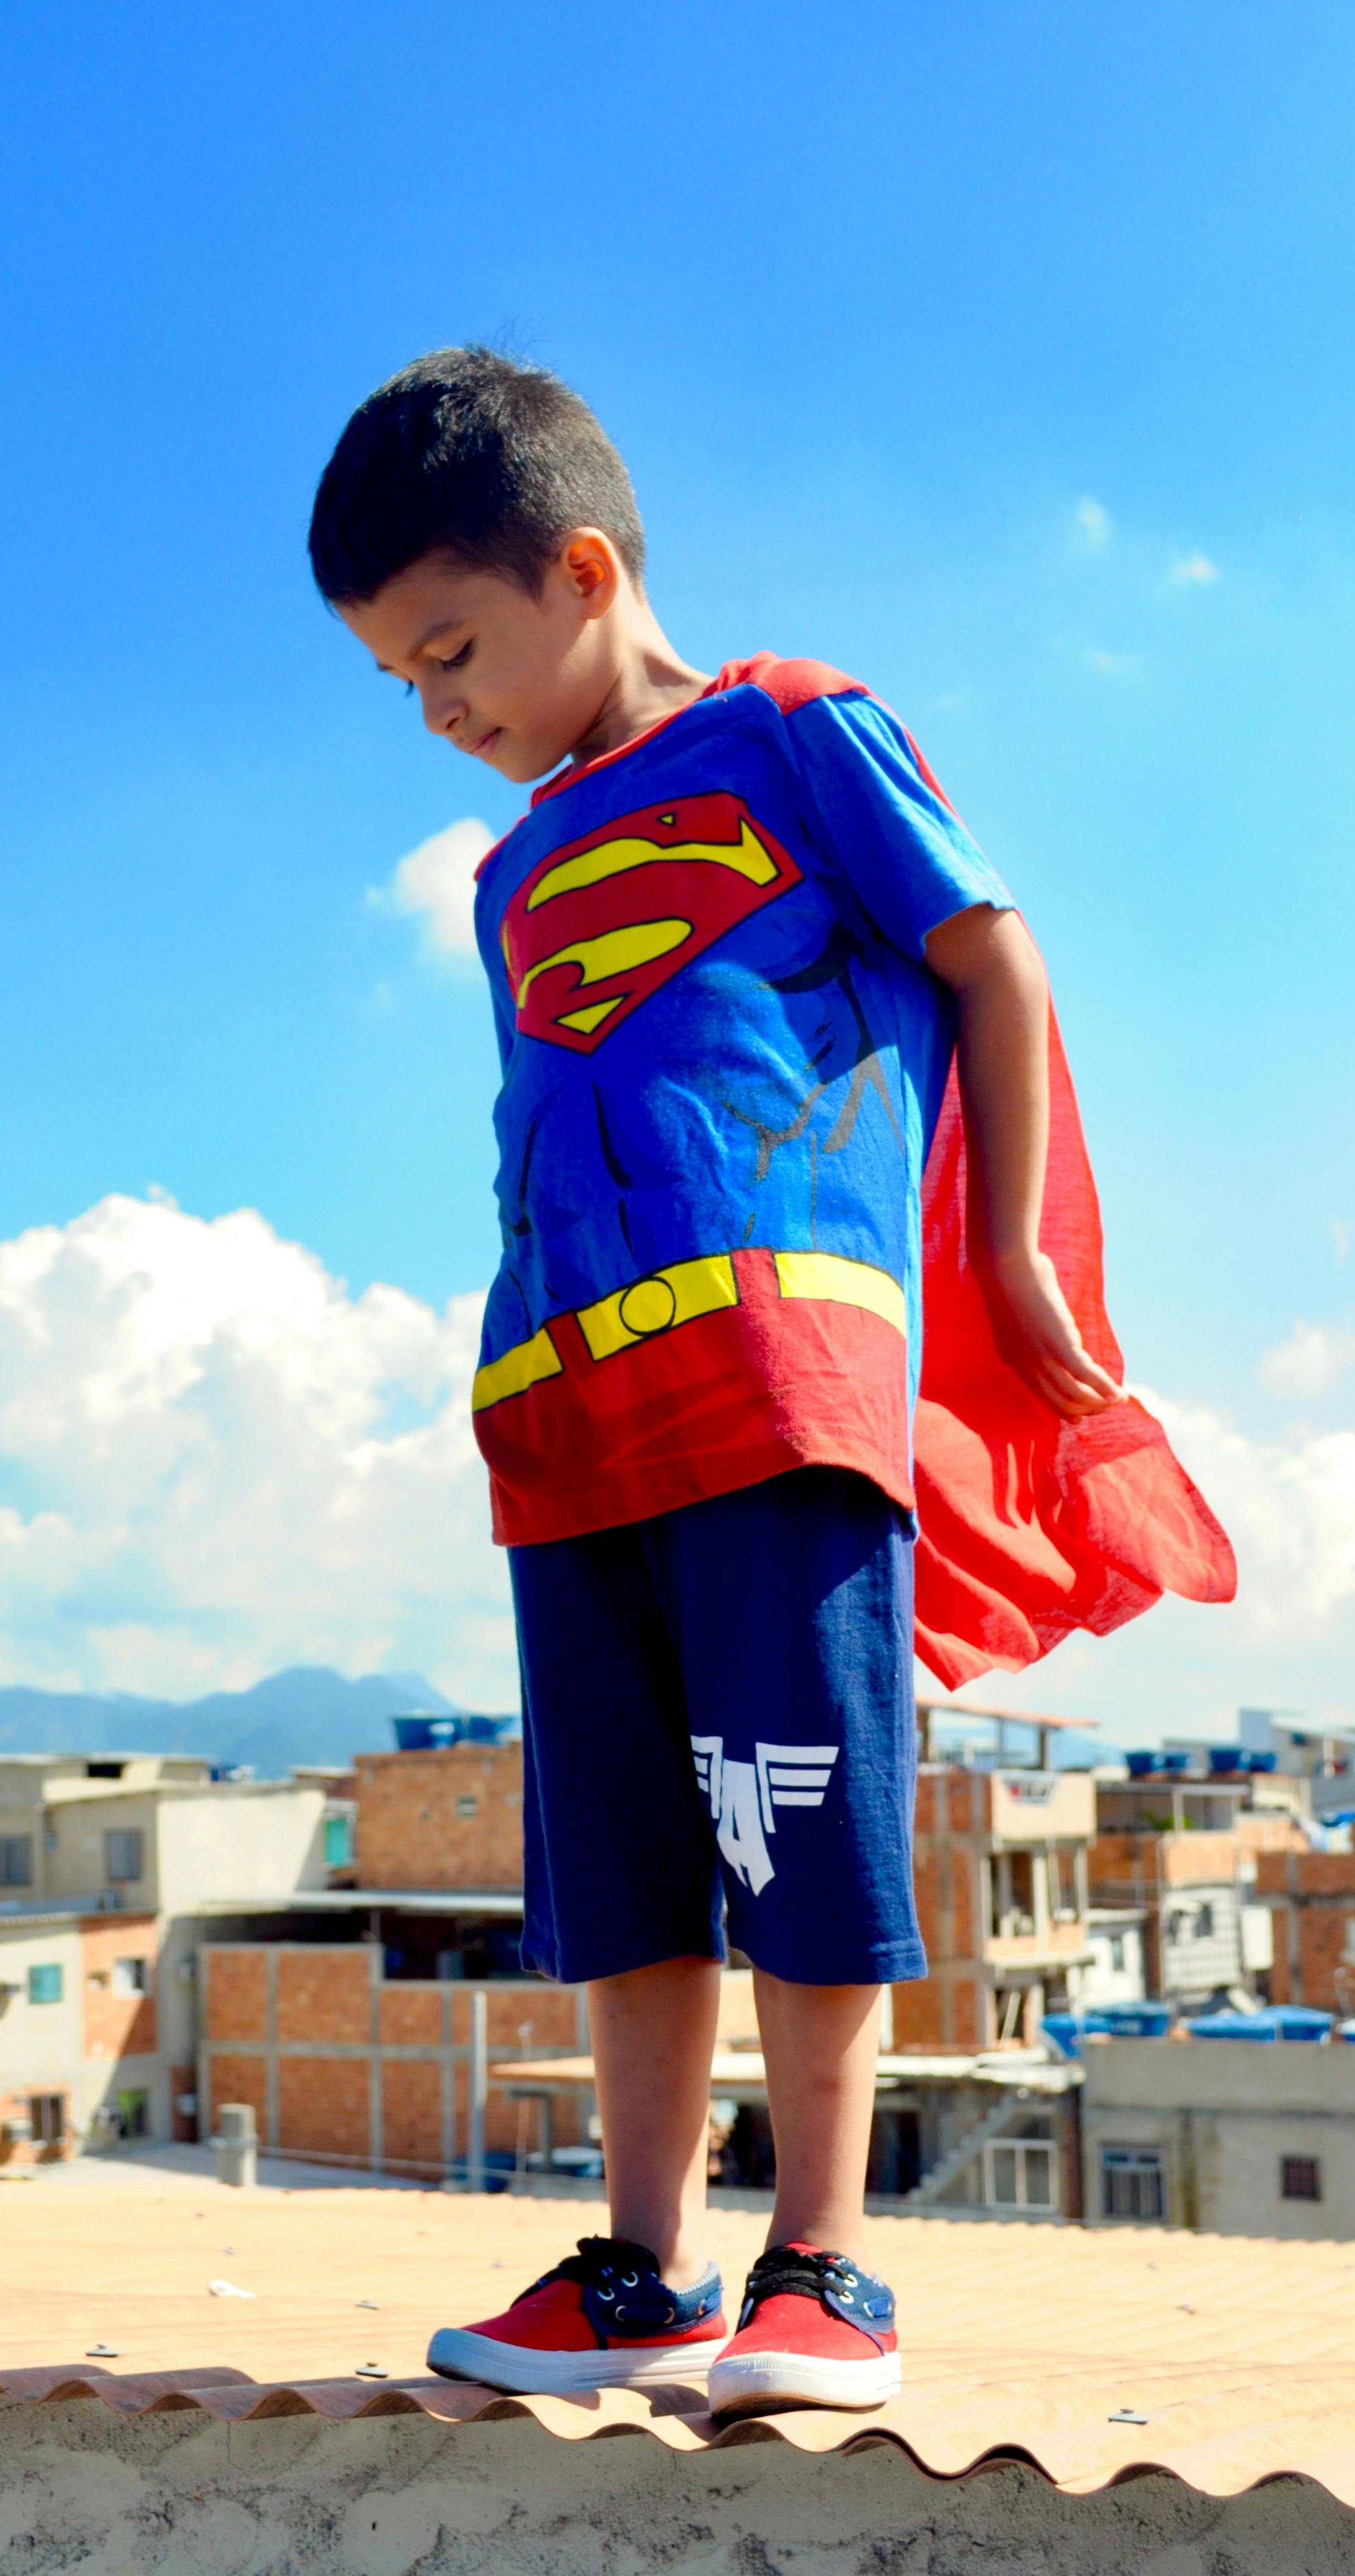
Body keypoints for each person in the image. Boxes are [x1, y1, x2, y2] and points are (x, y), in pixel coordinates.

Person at [308, 349, 1231, 2417]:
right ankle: (647, 2271)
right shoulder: (508, 882)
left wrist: (1005, 1250)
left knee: (795, 1811)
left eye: (452, 649)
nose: (439, 710)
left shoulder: (797, 730)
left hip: (784, 1376)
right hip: (561, 1407)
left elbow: (991, 950)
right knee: (625, 1863)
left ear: (582, 566)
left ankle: (827, 2265)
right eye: (400, 683)